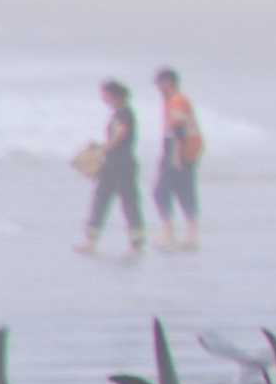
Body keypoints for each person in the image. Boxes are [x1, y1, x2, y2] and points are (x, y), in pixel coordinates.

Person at [79, 78, 144, 255]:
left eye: (105, 94)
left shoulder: (124, 113)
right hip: (112, 163)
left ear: (114, 95)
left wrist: (103, 148)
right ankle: (91, 240)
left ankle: (135, 244)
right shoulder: (118, 113)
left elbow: (120, 134)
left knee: (127, 203)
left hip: (122, 165)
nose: (103, 98)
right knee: (101, 200)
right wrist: (102, 148)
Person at [152, 66, 204, 251]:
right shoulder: (173, 101)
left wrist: (176, 156)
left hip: (179, 149)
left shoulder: (177, 101)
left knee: (162, 191)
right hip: (184, 149)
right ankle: (189, 235)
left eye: (158, 83)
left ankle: (171, 233)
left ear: (168, 83)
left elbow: (178, 129)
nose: (157, 88)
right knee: (182, 190)